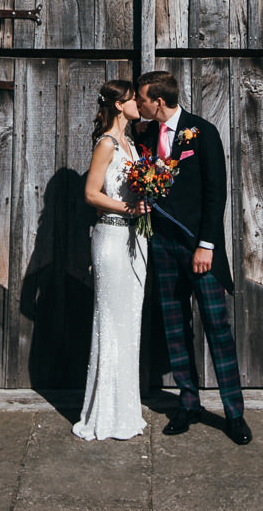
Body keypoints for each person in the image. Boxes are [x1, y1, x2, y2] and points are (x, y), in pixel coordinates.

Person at [135, 70, 250, 445]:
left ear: (159, 101)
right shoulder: (146, 136)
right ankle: (188, 404)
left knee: (217, 327)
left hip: (199, 247)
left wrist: (207, 245)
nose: (138, 104)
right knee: (174, 327)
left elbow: (216, 193)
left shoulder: (202, 132)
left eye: (141, 99)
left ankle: (234, 413)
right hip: (163, 245)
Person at [72, 79, 149, 441]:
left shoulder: (131, 143)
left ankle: (126, 410)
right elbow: (91, 194)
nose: (139, 105)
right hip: (112, 237)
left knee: (130, 322)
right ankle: (103, 413)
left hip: (137, 238)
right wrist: (128, 208)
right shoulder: (106, 144)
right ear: (120, 105)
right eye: (134, 100)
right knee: (111, 321)